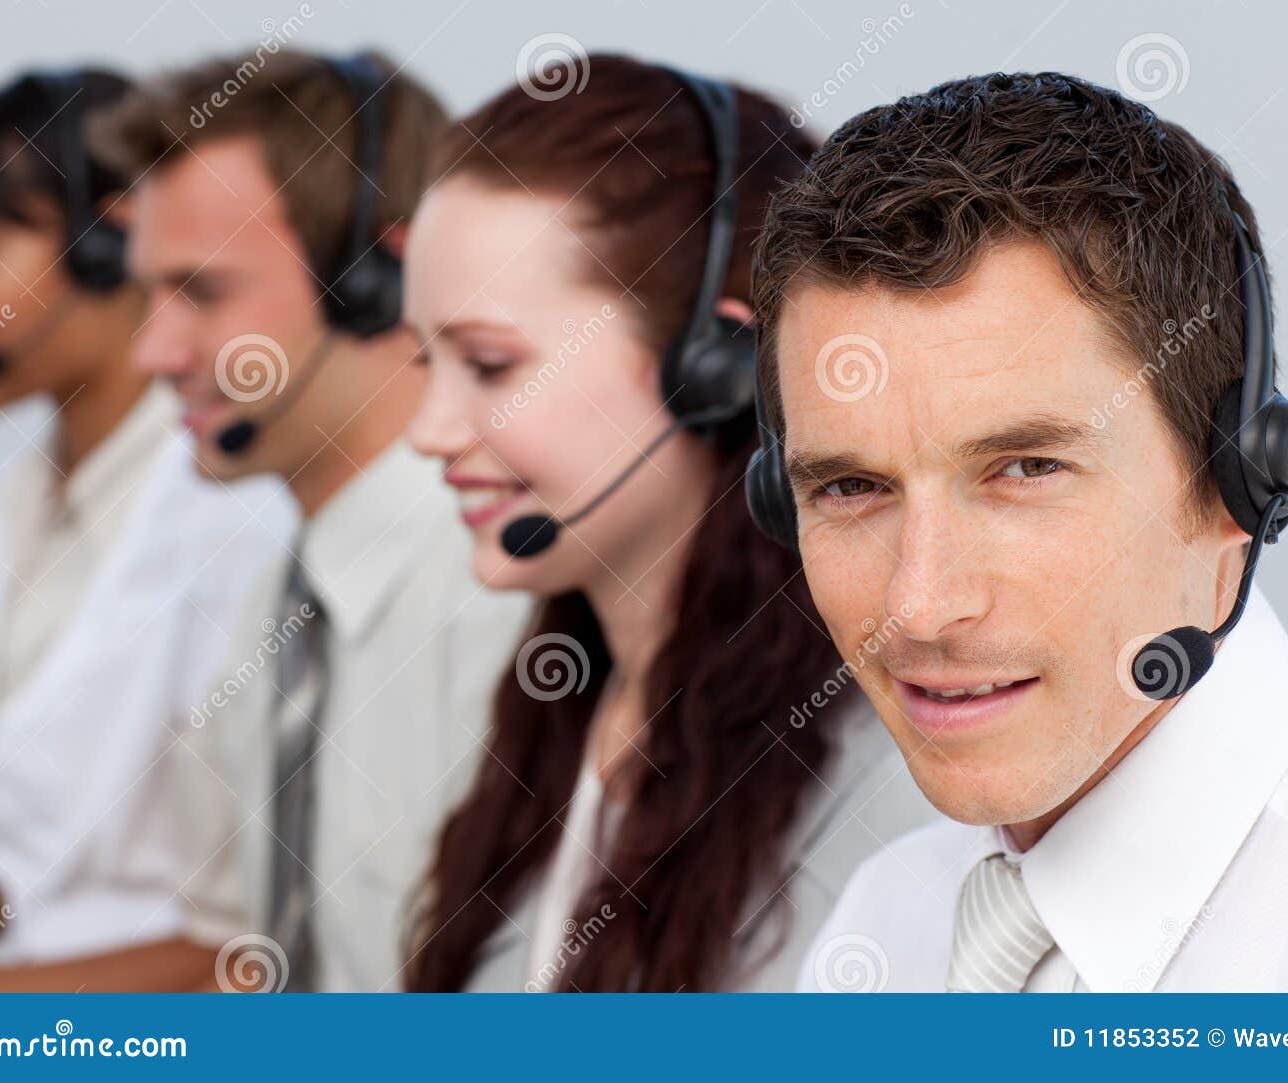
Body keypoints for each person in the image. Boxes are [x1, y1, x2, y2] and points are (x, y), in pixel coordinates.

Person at [737, 71, 1288, 993]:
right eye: (851, 487)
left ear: (1241, 482)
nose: (920, 606)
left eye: (1027, 469)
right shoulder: (888, 922)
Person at [400, 55, 937, 993]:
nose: (428, 430)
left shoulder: (895, 775)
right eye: (423, 361)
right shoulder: (557, 709)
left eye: (487, 364)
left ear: (715, 366)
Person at [81, 48, 534, 993]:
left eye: (202, 292)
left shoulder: (509, 602)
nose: (154, 350)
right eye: (147, 294)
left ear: (377, 278)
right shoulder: (266, 619)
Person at [0, 69, 291, 990]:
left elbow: (250, 944)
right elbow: (27, 864)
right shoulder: (26, 493)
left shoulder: (233, 511)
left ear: (114, 245)